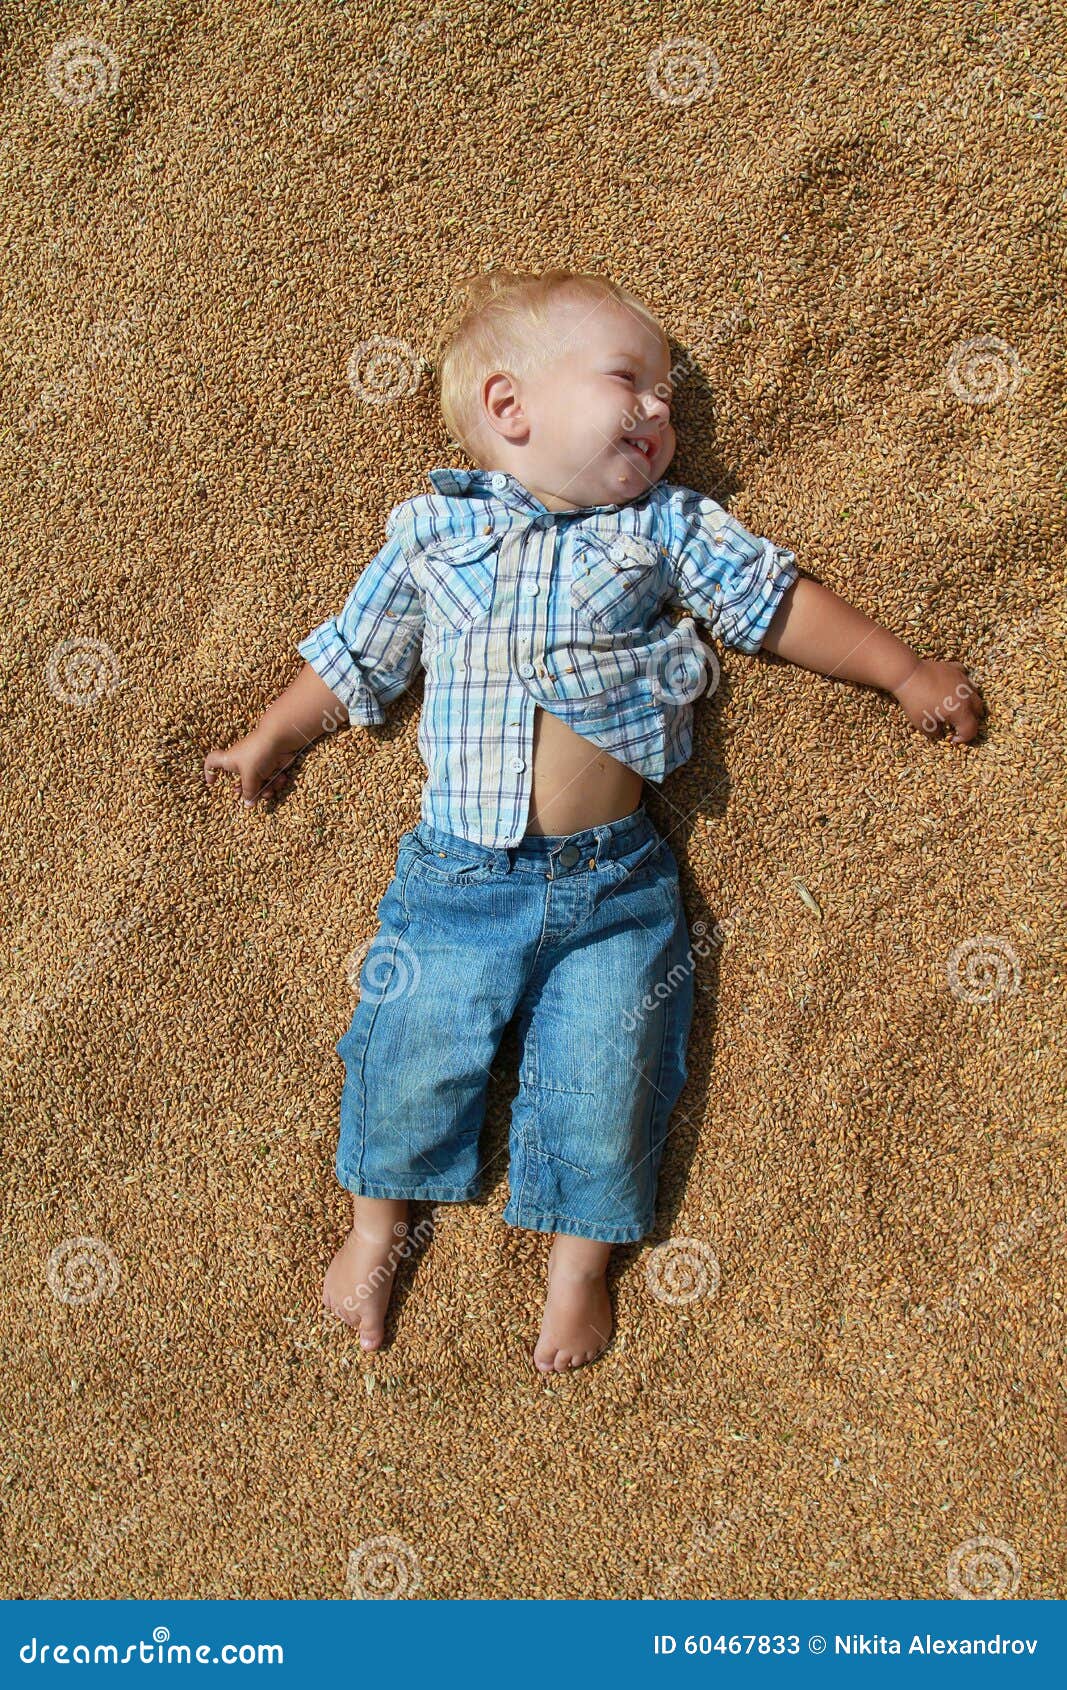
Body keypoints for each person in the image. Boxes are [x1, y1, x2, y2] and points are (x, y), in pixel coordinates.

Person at [203, 269, 986, 1373]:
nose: (659, 409)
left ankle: (578, 1267)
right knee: (409, 1049)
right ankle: (376, 1229)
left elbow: (772, 604)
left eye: (667, 395)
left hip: (614, 887)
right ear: (509, 407)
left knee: (611, 1070)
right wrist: (275, 735)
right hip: (453, 881)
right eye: (631, 381)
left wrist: (900, 670)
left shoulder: (663, 527)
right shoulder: (431, 537)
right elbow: (356, 655)